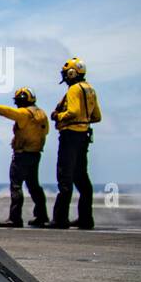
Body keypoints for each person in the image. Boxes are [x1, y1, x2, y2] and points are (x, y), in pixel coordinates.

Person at [0, 88, 49, 228]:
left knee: (16, 186)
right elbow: (45, 132)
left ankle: (15, 218)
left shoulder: (24, 113)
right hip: (35, 154)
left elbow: (8, 112)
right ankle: (42, 216)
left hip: (22, 155)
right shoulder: (41, 114)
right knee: (34, 186)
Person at [50, 57, 101, 230]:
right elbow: (97, 117)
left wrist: (58, 116)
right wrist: (83, 121)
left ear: (72, 73)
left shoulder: (73, 89)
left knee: (65, 177)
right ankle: (86, 219)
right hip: (83, 137)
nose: (65, 76)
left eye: (66, 73)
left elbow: (73, 111)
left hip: (70, 136)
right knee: (82, 178)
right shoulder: (90, 89)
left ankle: (60, 219)